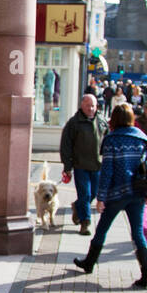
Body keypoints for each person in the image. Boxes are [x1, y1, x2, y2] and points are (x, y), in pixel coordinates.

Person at [72, 102, 147, 289]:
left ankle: (89, 262)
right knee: (137, 233)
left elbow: (107, 171)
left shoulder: (112, 140)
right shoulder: (142, 139)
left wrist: (101, 197)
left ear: (114, 119)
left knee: (102, 229)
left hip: (116, 194)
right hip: (138, 193)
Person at [60, 93, 106, 236]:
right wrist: (67, 166)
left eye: (93, 106)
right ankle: (85, 223)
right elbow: (66, 145)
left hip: (97, 165)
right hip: (80, 165)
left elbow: (107, 141)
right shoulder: (74, 123)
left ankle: (77, 206)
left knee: (93, 193)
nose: (91, 108)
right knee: (85, 194)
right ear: (82, 105)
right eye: (88, 106)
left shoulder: (102, 121)